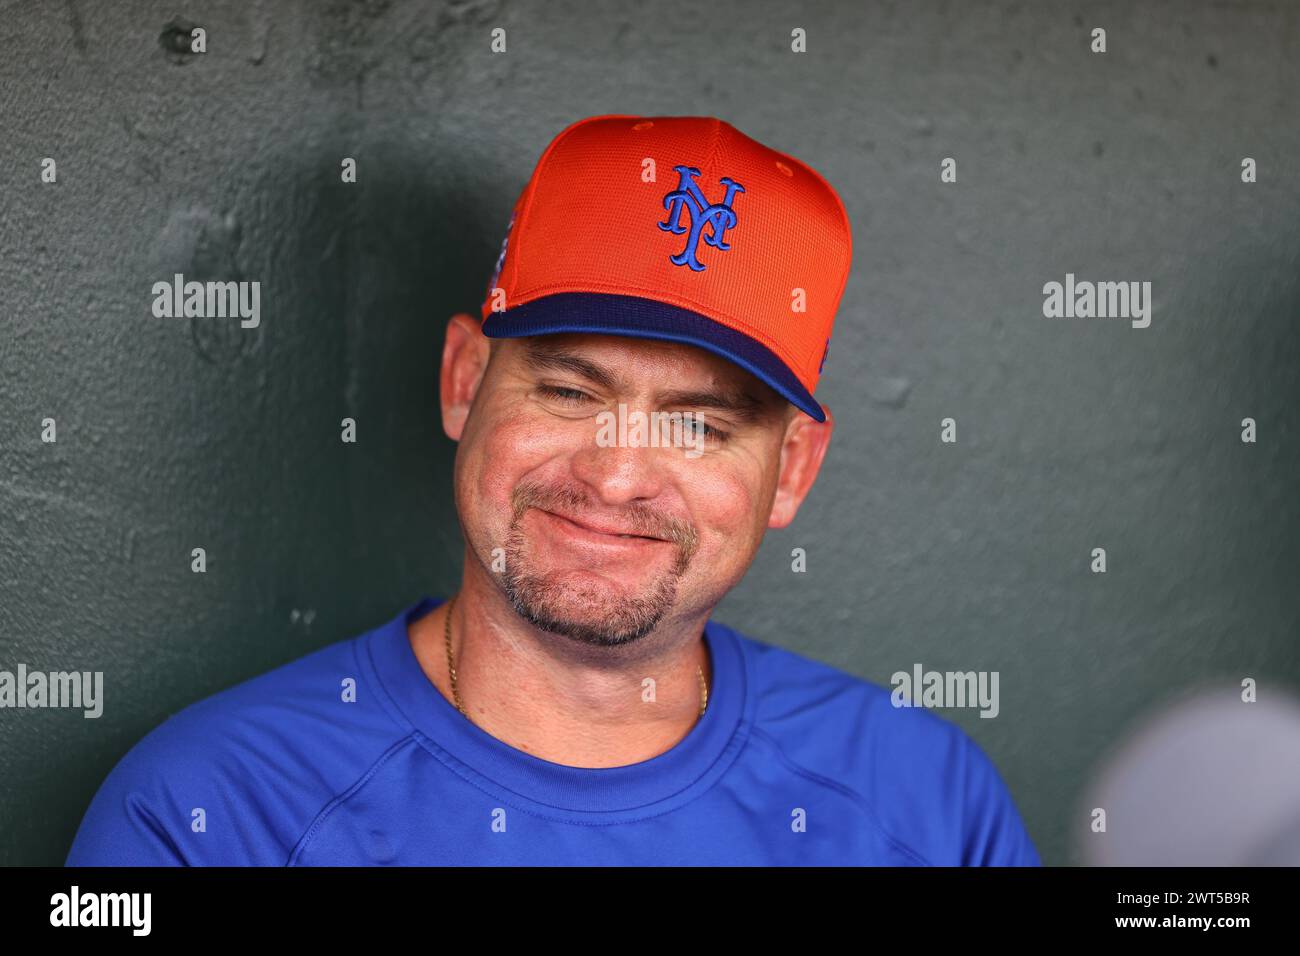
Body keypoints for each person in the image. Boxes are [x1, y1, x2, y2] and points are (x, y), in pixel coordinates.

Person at [66, 114, 1039, 865]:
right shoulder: (212, 810)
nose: (616, 474)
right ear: (462, 381)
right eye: (570, 390)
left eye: (699, 424)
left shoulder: (925, 800)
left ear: (789, 470)